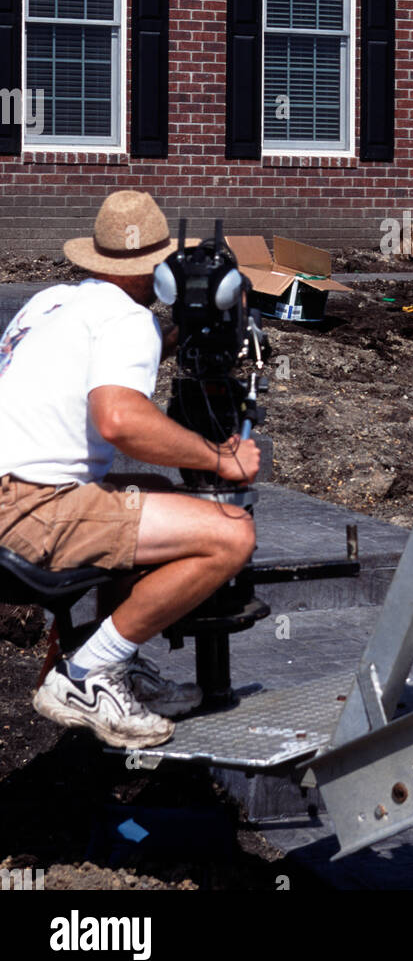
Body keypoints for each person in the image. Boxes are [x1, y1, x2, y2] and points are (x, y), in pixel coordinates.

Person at [0, 191, 261, 747]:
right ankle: (86, 676)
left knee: (149, 491)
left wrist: (175, 338)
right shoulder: (127, 319)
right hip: (31, 509)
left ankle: (111, 659)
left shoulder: (52, 304)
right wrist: (222, 458)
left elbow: (93, 368)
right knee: (230, 536)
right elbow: (120, 420)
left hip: (14, 495)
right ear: (158, 268)